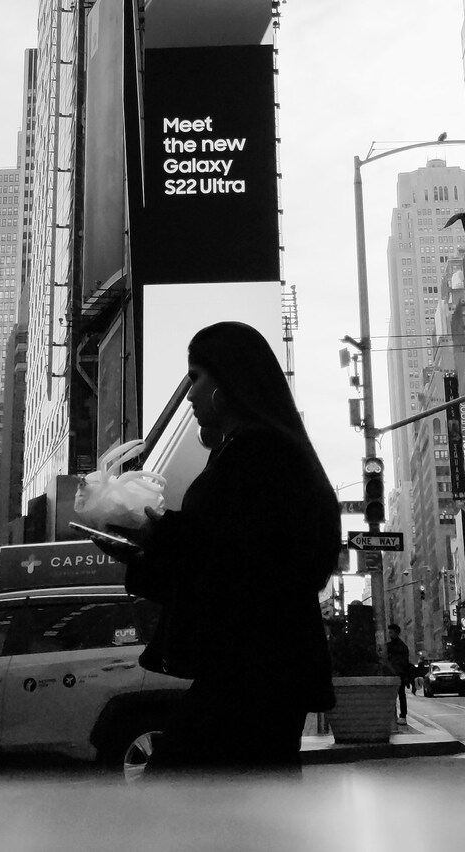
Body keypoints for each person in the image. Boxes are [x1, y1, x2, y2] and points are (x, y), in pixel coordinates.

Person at [119, 321, 341, 772]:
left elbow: (243, 558)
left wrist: (158, 536)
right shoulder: (250, 449)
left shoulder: (261, 453)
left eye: (195, 377)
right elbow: (216, 563)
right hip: (253, 669)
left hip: (257, 670)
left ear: (226, 381)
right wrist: (139, 550)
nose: (188, 395)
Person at [385, 624, 415, 721]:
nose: (389, 634)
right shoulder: (399, 646)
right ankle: (401, 715)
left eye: (391, 632)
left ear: (396, 633)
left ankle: (402, 715)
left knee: (400, 695)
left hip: (397, 674)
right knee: (400, 695)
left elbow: (402, 662)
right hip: (397, 673)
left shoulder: (398, 647)